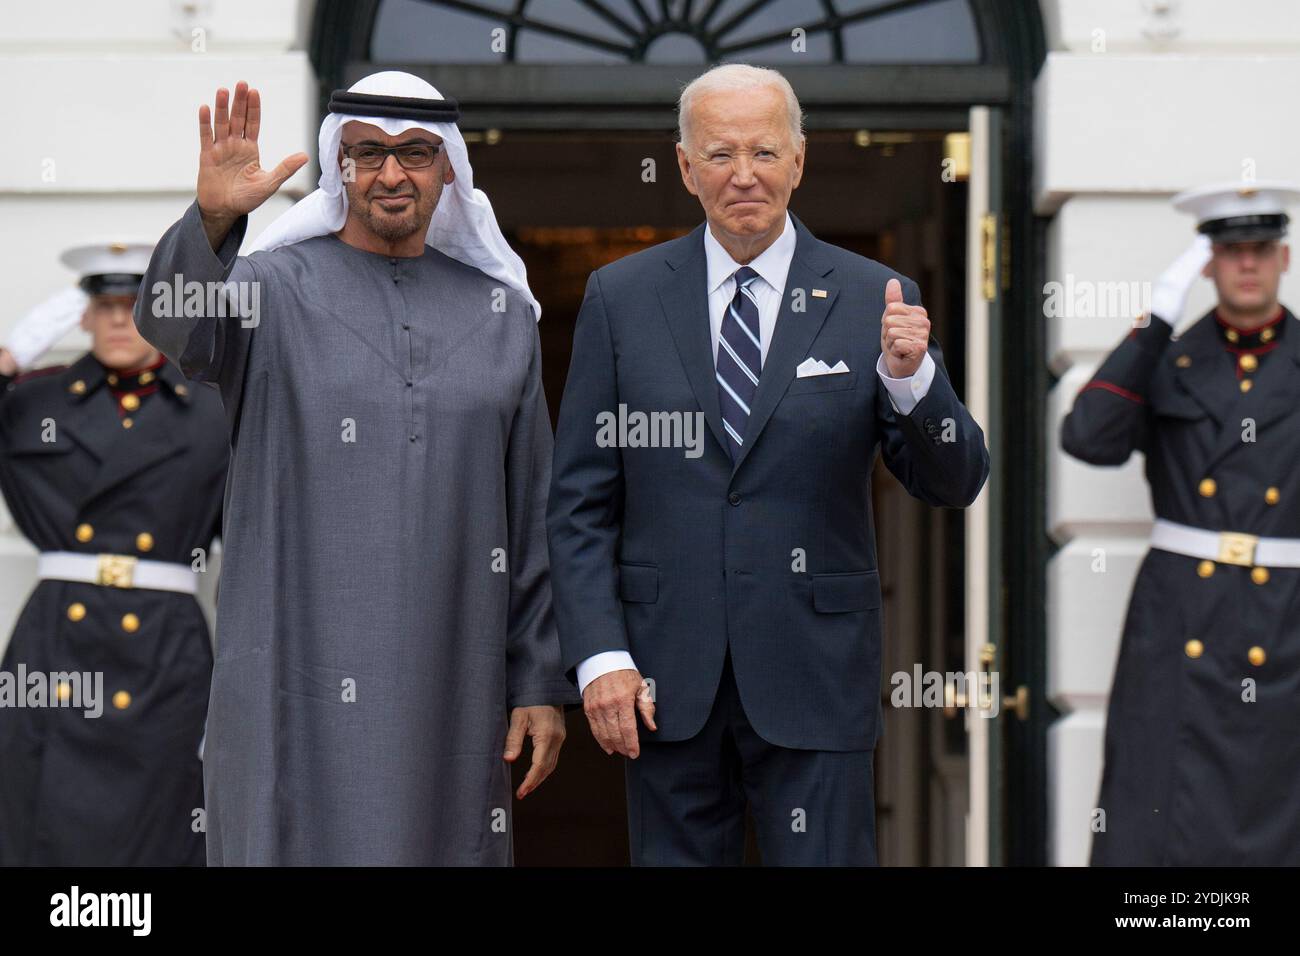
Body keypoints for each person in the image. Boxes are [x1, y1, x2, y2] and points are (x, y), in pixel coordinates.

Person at [547, 63, 990, 865]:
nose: (743, 175)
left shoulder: (873, 296)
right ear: (684, 168)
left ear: (799, 161)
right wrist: (600, 656)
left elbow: (955, 481)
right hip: (659, 683)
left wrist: (910, 380)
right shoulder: (622, 296)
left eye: (763, 152)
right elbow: (579, 501)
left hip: (816, 676)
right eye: (719, 155)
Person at [133, 71, 575, 865]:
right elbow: (176, 327)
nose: (392, 174)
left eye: (415, 153)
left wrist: (539, 678)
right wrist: (213, 220)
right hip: (288, 666)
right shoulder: (268, 288)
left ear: (450, 170)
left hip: (454, 672)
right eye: (368, 153)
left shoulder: (503, 316)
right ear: (341, 166)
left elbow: (532, 511)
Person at [1062, 181, 1300, 866]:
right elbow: (1087, 437)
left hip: (1283, 616)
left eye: (1259, 249)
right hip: (1181, 614)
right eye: (1229, 251)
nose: (1246, 264)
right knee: (1159, 798)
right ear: (1207, 263)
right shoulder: (1170, 358)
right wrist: (1154, 320)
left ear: (1282, 257)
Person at [0, 241, 227, 865]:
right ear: (82, 317)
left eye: (137, 306)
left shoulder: (213, 409)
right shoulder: (30, 402)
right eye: (105, 306)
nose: (121, 320)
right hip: (57, 647)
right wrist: (7, 361)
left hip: (166, 649)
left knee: (164, 821)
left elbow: (254, 539)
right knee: (39, 813)